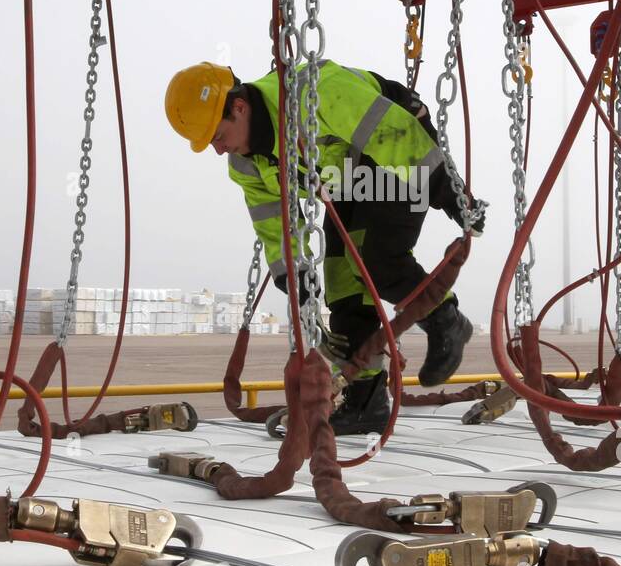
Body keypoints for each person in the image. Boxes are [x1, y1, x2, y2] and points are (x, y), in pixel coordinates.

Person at [165, 60, 482, 434]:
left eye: (218, 136)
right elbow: (274, 223)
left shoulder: (314, 93)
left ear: (239, 107)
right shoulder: (244, 165)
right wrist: (294, 276)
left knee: (376, 260)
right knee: (342, 280)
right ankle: (367, 403)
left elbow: (392, 135)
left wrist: (449, 192)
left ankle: (446, 320)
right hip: (345, 178)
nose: (219, 150)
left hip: (399, 150)